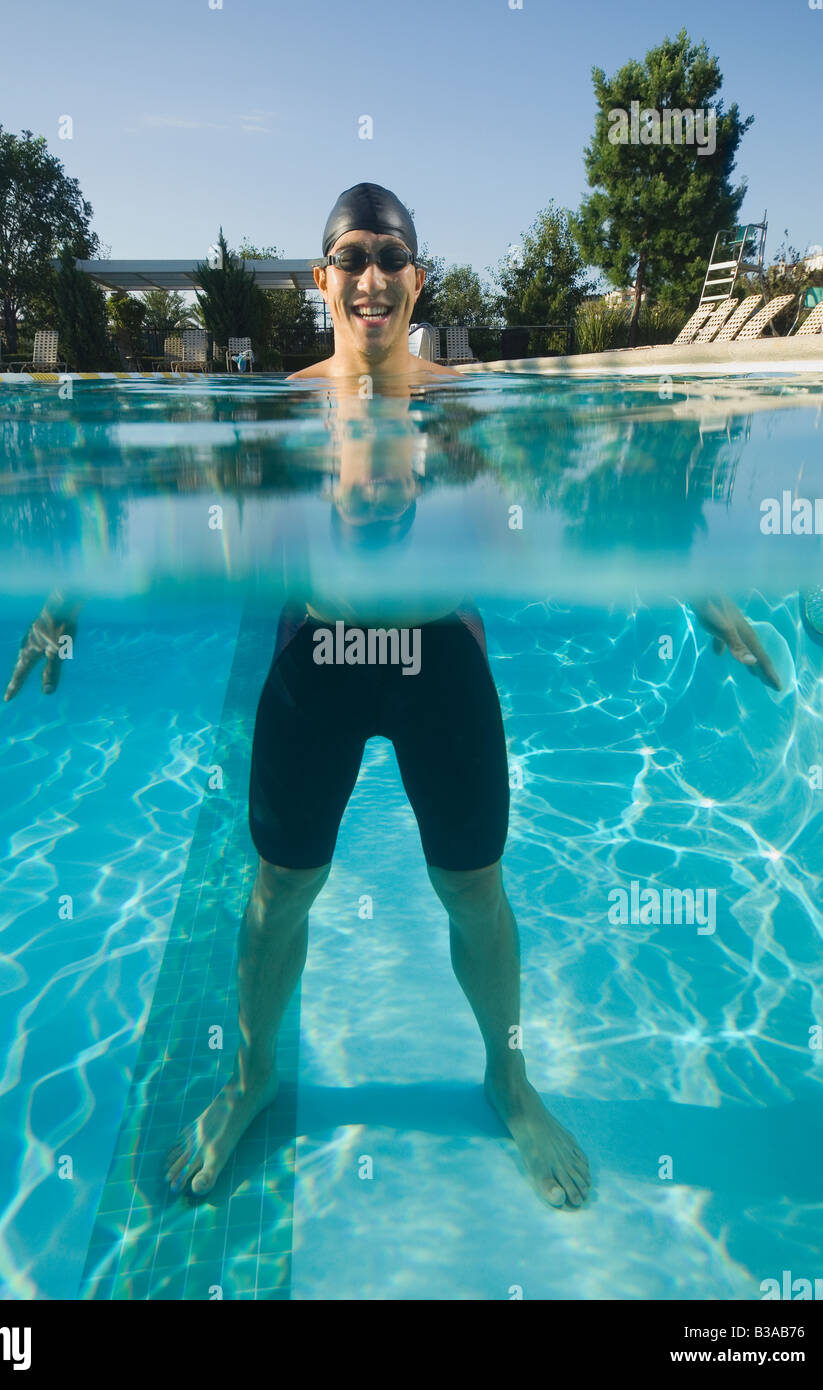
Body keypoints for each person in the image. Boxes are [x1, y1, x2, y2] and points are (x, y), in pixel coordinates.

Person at [166, 184, 593, 1209]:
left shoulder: (459, 410)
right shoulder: (283, 410)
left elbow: (568, 507)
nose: (371, 276)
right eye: (350, 257)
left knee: (474, 889)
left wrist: (707, 591)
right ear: (321, 280)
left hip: (438, 664)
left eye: (391, 257)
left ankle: (509, 1076)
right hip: (318, 662)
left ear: (418, 278)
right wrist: (58, 600)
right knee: (280, 890)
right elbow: (164, 503)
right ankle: (251, 1074)